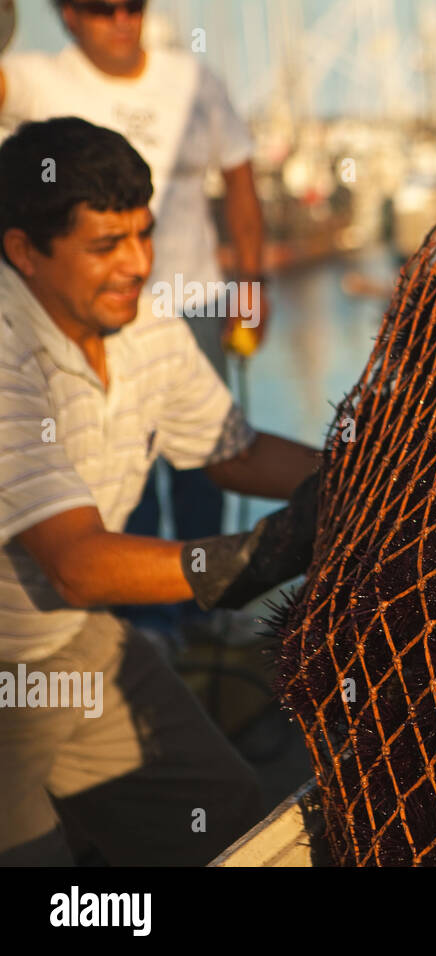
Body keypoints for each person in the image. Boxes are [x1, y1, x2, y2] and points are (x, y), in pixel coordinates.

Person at [0, 117, 318, 866]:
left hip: (75, 641)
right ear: (24, 253)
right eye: (106, 246)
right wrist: (252, 557)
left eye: (143, 236)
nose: (138, 265)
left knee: (237, 831)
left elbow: (232, 455)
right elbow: (75, 561)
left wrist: (364, 473)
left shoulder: (142, 324)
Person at [0, 0, 270, 649]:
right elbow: (76, 562)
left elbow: (240, 182)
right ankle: (147, 625)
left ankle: (203, 621)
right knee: (120, 484)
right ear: (65, 14)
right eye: (100, 8)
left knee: (204, 462)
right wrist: (263, 555)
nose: (121, 19)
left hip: (183, 305)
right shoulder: (35, 78)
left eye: (133, 6)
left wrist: (251, 296)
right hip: (62, 314)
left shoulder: (193, 78)